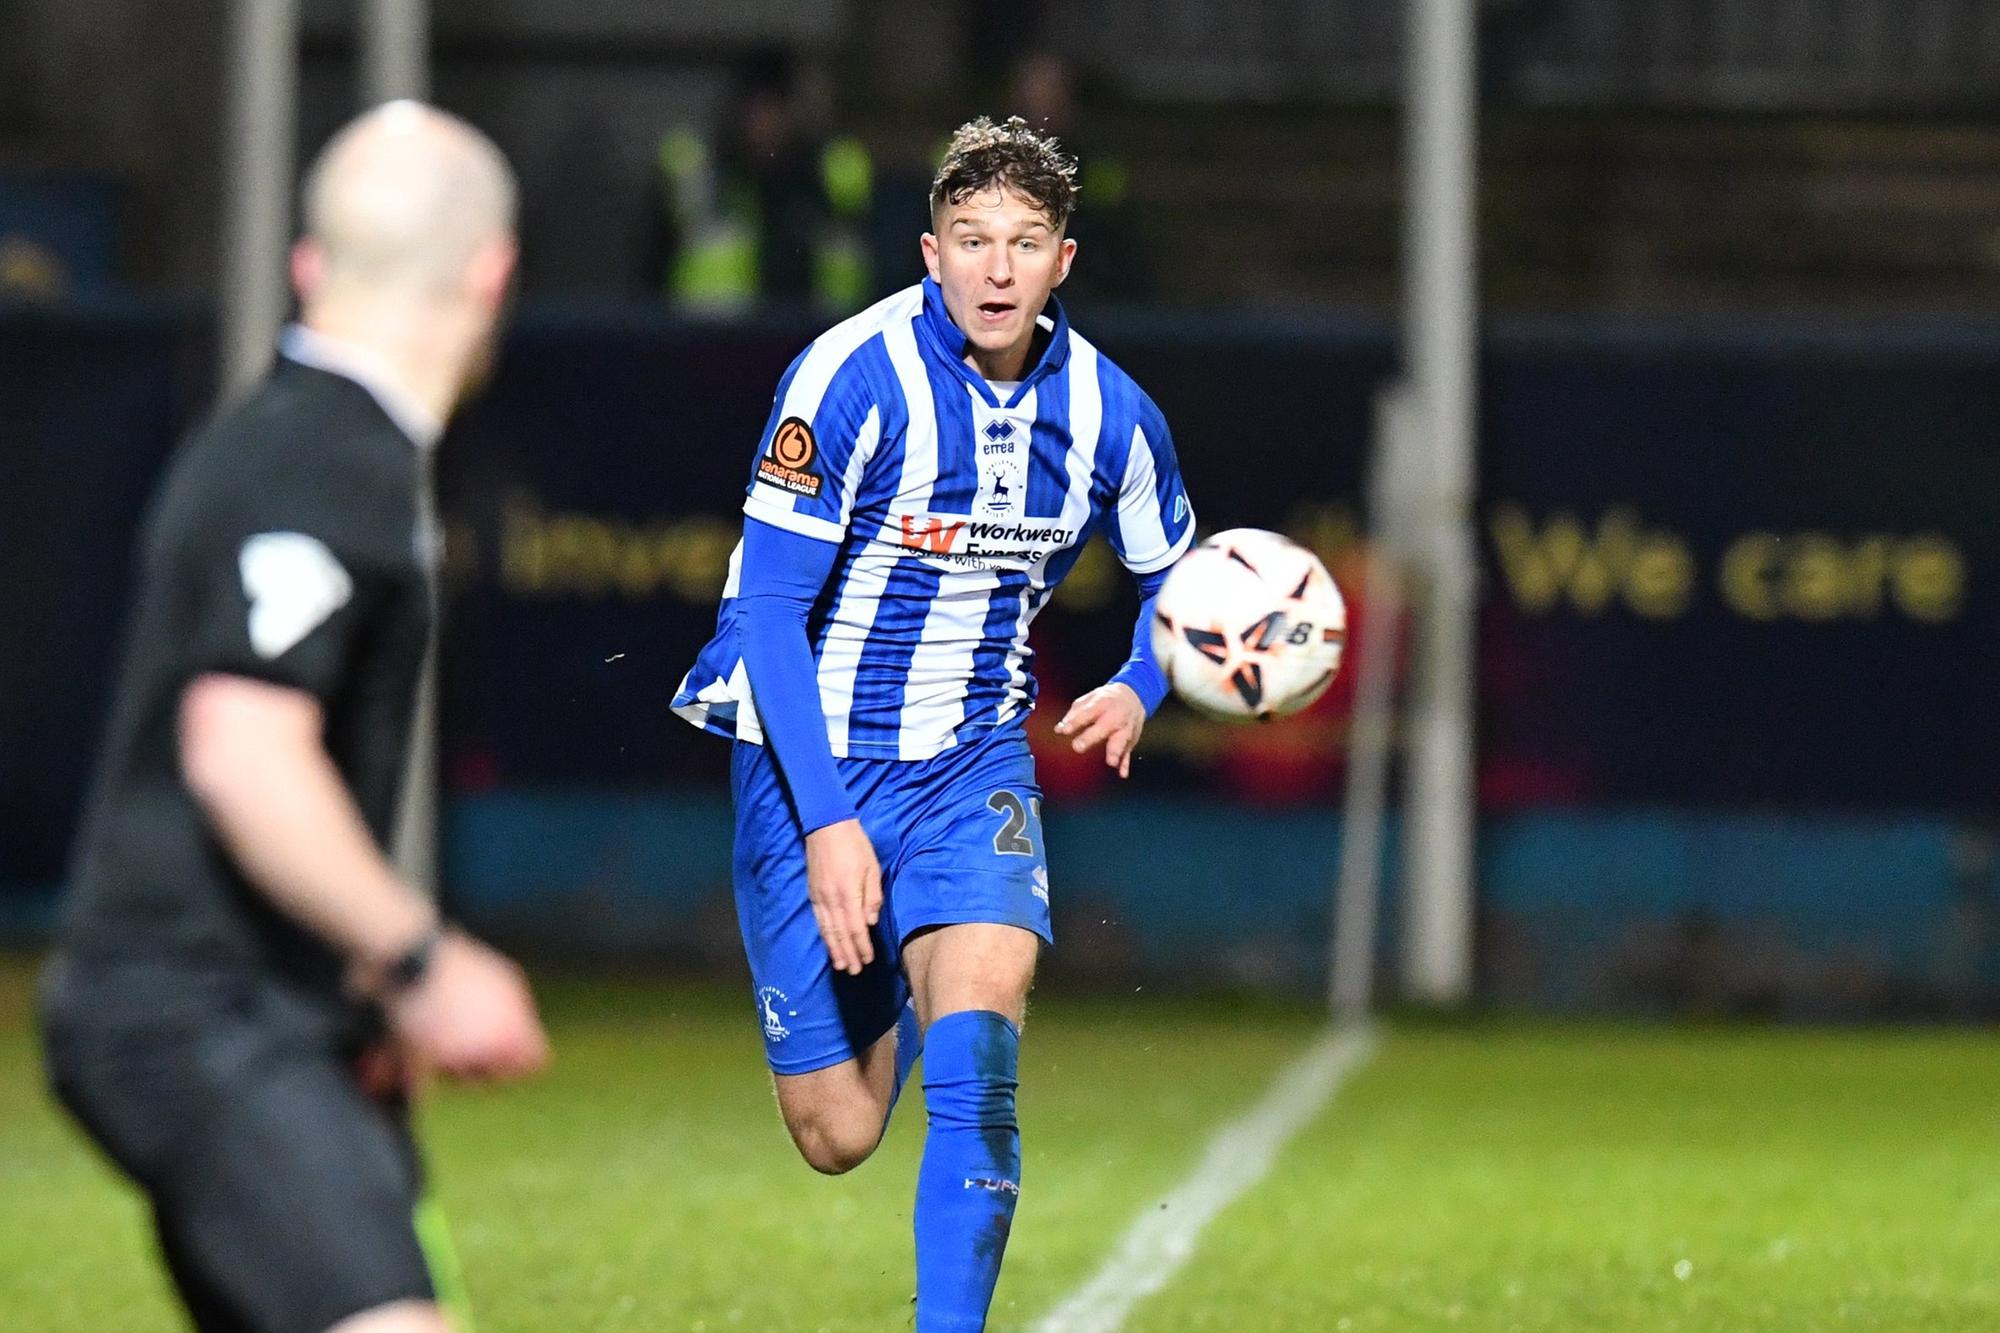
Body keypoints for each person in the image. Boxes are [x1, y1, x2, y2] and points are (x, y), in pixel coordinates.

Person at [672, 114, 1196, 1330]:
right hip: (810, 760)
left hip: (974, 758)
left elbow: (1179, 574)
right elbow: (763, 617)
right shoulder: (847, 379)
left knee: (982, 1058)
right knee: (838, 1130)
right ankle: (908, 984)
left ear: (1063, 261)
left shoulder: (1113, 414)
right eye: (971, 240)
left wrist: (1139, 681)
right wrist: (828, 826)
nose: (996, 269)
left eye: (1023, 243)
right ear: (929, 252)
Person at [39, 102, 548, 1333]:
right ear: (493, 274)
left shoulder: (295, 437)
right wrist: (420, 960)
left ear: (307, 266)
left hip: (255, 1013)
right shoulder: (332, 457)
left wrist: (351, 991)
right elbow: (243, 750)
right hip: (193, 1015)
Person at [649, 48, 873, 312]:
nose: (765, 123)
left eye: (775, 108)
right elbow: (652, 266)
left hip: (817, 332)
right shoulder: (699, 173)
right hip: (711, 338)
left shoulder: (830, 174)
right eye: (757, 109)